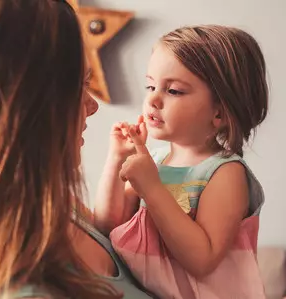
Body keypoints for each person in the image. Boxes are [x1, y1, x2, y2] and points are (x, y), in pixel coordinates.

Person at [0, 0, 152, 298]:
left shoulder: (58, 206)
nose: (92, 106)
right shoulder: (22, 290)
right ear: (23, 109)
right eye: (79, 84)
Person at [94, 25, 269, 299]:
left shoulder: (224, 173)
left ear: (219, 113)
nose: (152, 99)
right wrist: (116, 159)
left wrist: (152, 188)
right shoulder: (156, 161)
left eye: (173, 91)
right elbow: (107, 224)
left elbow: (202, 261)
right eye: (150, 86)